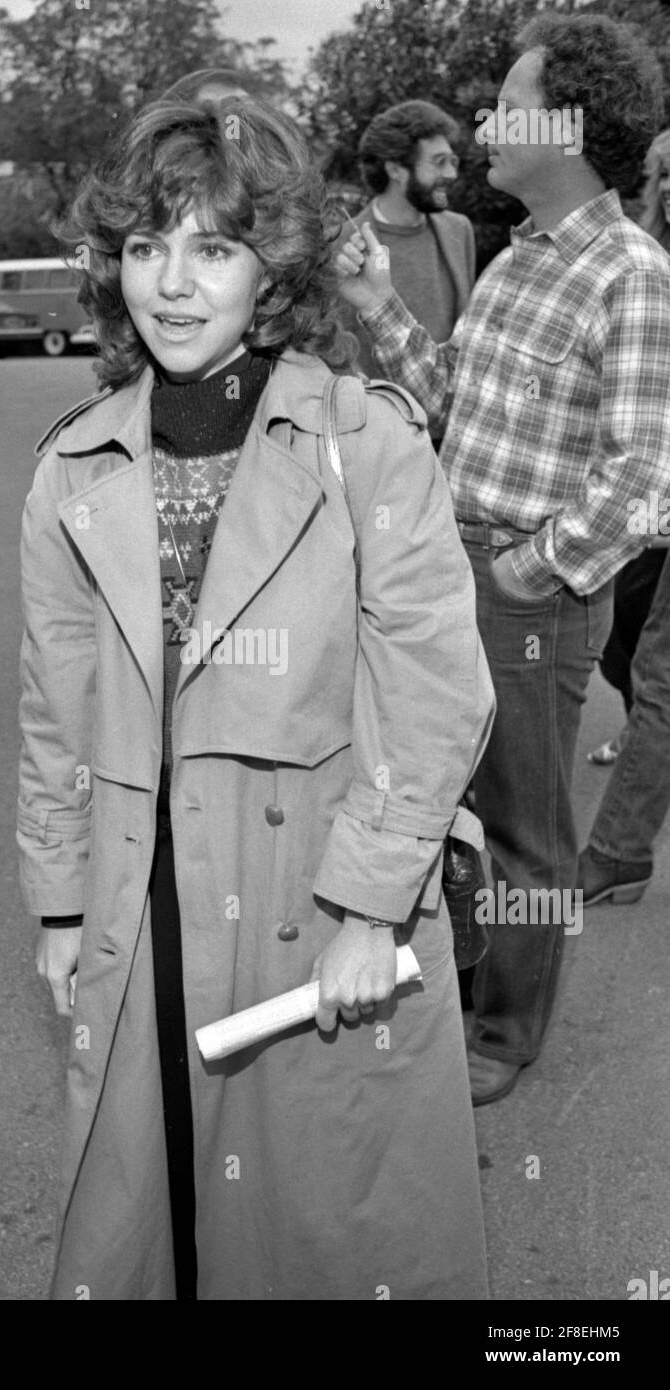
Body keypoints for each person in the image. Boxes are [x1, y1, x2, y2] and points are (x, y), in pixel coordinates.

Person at [18, 96, 494, 1300]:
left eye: (213, 247)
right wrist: (62, 903)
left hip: (310, 904)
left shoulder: (367, 443)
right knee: (155, 1208)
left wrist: (372, 905)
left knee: (322, 1234)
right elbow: (53, 710)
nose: (171, 284)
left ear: (270, 267)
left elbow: (435, 689)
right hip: (147, 898)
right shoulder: (70, 465)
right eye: (144, 246)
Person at [335, 12, 670, 1105]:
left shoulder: (630, 273)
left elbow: (642, 471)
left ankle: (506, 1033)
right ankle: (457, 991)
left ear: (567, 127)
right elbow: (445, 404)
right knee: (447, 797)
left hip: (525, 591)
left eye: (508, 100)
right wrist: (370, 300)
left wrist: (532, 568)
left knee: (526, 831)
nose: (484, 121)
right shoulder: (522, 255)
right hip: (449, 562)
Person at [586, 128, 670, 765]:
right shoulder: (642, 258)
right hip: (646, 475)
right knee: (625, 632)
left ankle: (648, 739)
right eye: (662, 175)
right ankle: (641, 726)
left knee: (655, 649)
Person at [334, 100, 475, 407]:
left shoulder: (458, 230)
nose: (451, 173)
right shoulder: (344, 243)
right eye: (439, 162)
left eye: (453, 161)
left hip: (446, 424)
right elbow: (336, 350)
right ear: (396, 169)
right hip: (382, 428)